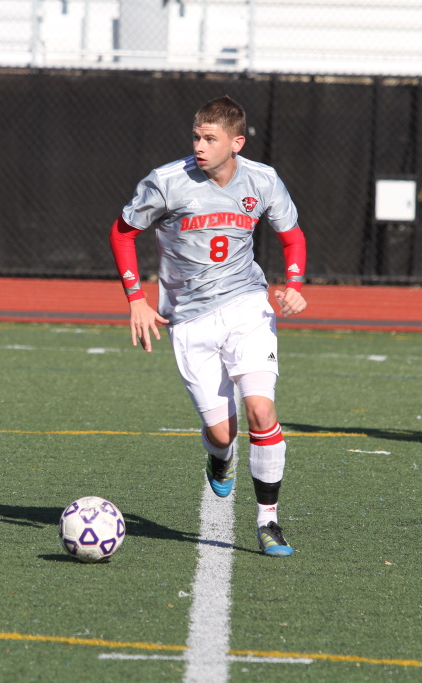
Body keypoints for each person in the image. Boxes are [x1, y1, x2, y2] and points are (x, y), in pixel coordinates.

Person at [108, 95, 308, 556]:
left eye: (210, 138)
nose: (199, 145)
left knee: (262, 411)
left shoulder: (263, 181)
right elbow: (122, 233)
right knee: (223, 435)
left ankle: (269, 521)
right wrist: (136, 299)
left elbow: (292, 236)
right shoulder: (166, 182)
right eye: (196, 136)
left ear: (235, 143)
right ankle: (220, 461)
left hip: (247, 306)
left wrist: (294, 283)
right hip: (189, 318)